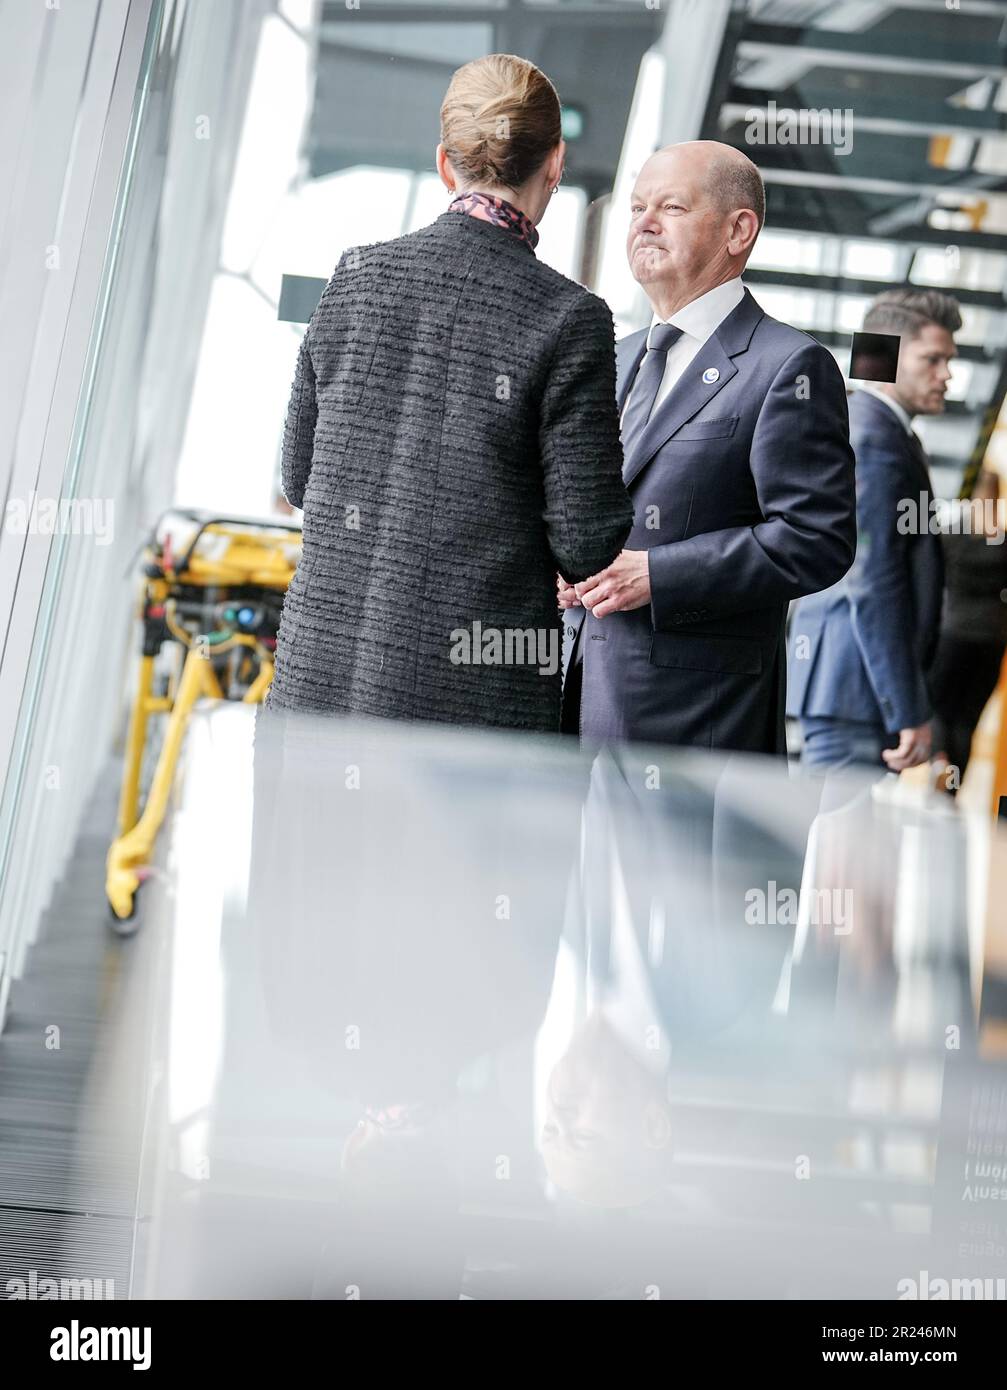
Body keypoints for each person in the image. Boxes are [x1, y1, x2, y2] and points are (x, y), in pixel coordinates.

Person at [266, 54, 633, 732]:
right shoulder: (567, 317)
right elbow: (587, 540)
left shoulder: (356, 277)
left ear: (445, 164)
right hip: (467, 712)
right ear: (553, 164)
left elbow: (299, 475)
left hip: (316, 686)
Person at [558, 141, 856, 753]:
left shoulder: (789, 365)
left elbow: (816, 538)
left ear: (737, 230)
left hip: (695, 721)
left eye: (671, 206)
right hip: (575, 693)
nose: (644, 222)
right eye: (637, 207)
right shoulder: (614, 355)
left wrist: (660, 574)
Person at [786, 288, 959, 772]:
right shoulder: (874, 438)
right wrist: (907, 707)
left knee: (846, 838)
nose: (946, 374)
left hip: (851, 684)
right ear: (886, 358)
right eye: (933, 359)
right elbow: (874, 578)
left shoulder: (883, 430)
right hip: (854, 689)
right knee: (844, 839)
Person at [929, 469, 1007, 793]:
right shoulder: (1003, 542)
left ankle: (939, 762)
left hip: (951, 631)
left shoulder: (950, 535)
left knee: (940, 708)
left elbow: (933, 579)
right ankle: (952, 789)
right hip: (991, 637)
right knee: (968, 718)